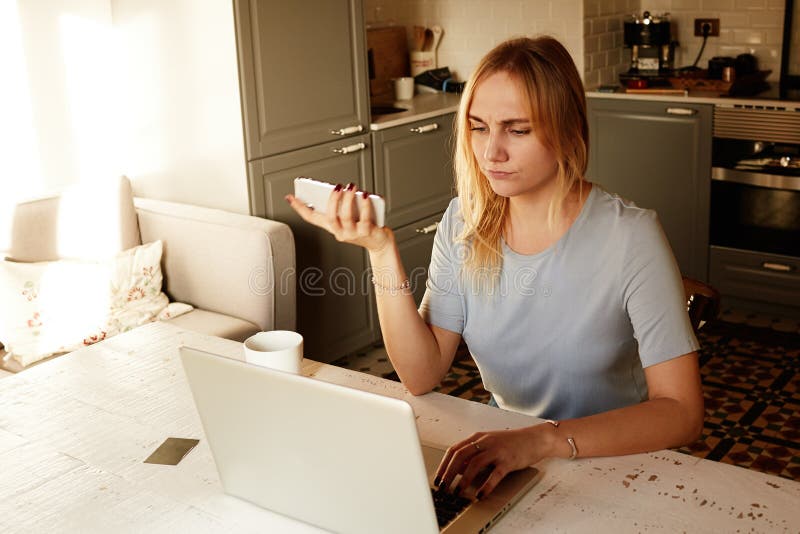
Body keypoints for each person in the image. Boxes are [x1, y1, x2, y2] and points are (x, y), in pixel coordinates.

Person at [286, 35, 703, 501]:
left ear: (567, 130)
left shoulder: (631, 236)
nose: (491, 153)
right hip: (509, 457)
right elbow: (421, 374)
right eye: (479, 127)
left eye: (517, 130)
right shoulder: (463, 221)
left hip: (614, 461)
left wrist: (543, 439)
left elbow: (682, 412)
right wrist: (380, 251)